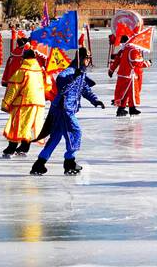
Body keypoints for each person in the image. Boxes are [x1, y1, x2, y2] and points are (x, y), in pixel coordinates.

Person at [30, 47, 105, 175]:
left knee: (55, 137)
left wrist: (95, 100)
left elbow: (85, 89)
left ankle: (39, 164)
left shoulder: (80, 73)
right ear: (81, 58)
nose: (88, 61)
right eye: (87, 58)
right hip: (64, 109)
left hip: (65, 109)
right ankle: (69, 162)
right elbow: (60, 82)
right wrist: (73, 77)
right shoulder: (69, 72)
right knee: (75, 132)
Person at [1, 49, 47, 156]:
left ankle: (11, 148)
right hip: (38, 103)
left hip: (24, 102)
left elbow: (13, 88)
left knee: (17, 125)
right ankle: (24, 147)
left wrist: (6, 103)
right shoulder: (39, 71)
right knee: (27, 125)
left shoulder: (22, 71)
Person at [108, 34, 147, 116]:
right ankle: (129, 109)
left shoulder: (122, 51)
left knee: (125, 93)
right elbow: (136, 62)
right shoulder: (130, 50)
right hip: (129, 75)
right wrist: (147, 63)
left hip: (124, 75)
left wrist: (111, 70)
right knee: (130, 92)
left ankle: (124, 109)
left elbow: (116, 62)